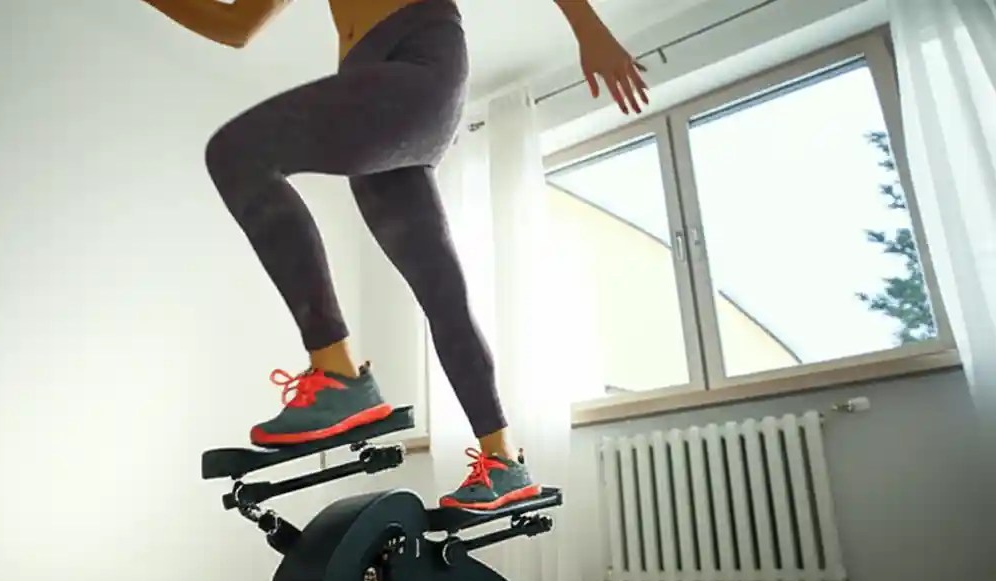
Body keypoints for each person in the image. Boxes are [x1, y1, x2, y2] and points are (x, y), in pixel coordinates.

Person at [141, 0, 648, 509]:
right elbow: (235, 26)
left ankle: (336, 371)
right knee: (441, 292)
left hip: (420, 63)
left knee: (238, 151)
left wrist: (590, 29)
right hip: (372, 87)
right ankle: (504, 459)